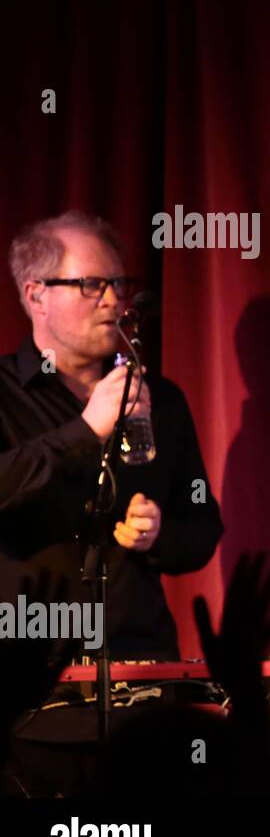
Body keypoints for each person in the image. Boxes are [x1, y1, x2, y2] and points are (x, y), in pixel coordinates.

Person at [1, 211, 223, 794]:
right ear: (35, 295)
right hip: (31, 695)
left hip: (145, 685)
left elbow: (202, 530)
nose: (114, 302)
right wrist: (86, 431)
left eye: (119, 285)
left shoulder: (159, 399)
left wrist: (160, 534)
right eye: (91, 285)